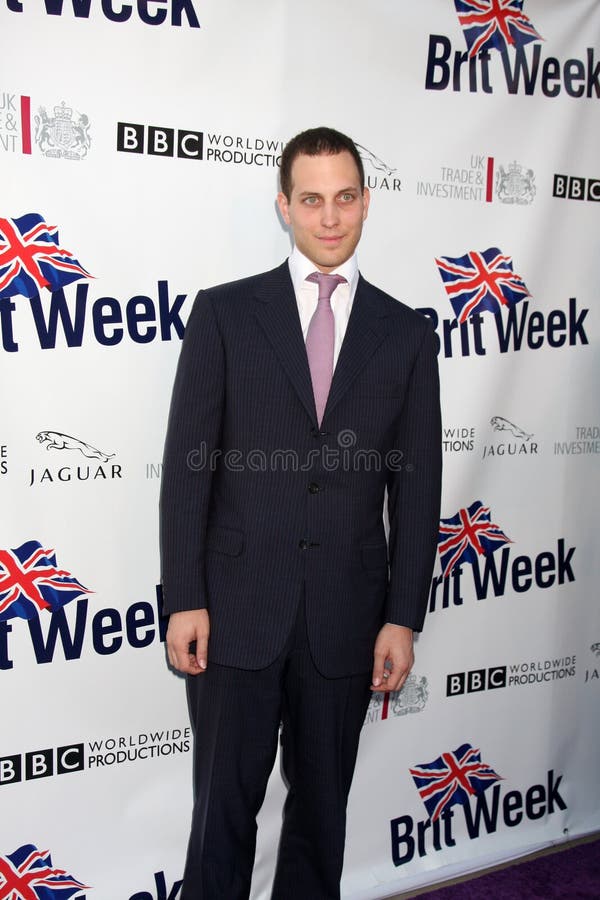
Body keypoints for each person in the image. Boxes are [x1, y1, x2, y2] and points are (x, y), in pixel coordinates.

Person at [160, 126, 442, 900]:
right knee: (222, 816)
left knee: (322, 820)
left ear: (367, 202)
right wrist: (184, 596)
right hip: (235, 611)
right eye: (311, 199)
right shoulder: (224, 315)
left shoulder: (406, 335)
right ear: (284, 206)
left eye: (344, 198)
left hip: (346, 618)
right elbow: (188, 470)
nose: (330, 217)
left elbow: (417, 489)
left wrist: (402, 618)